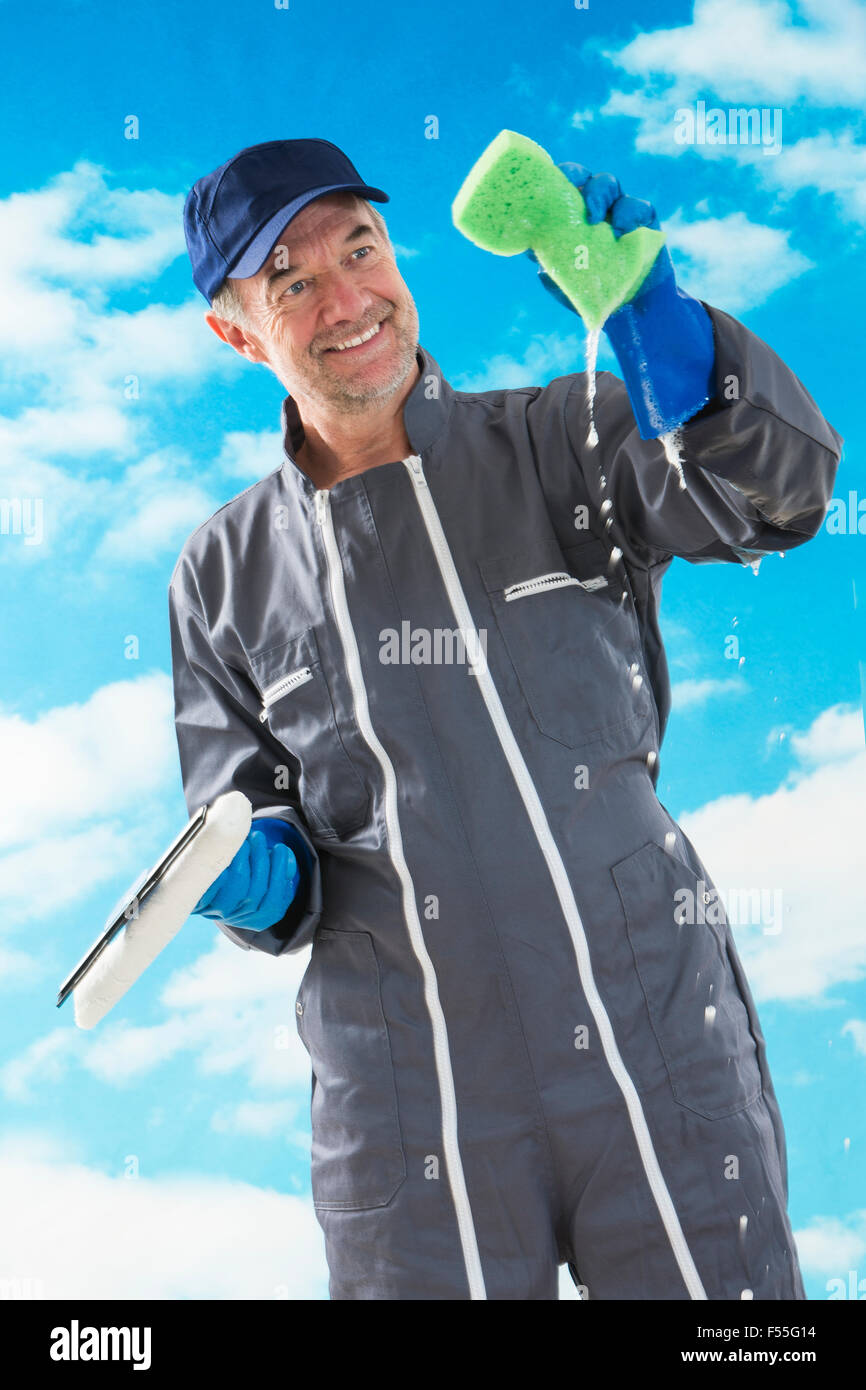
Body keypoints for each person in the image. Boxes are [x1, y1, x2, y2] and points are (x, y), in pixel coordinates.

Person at [171, 137, 842, 1300]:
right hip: (406, 1107)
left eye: (360, 248)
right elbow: (247, 821)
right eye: (290, 282)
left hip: (652, 1039)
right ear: (237, 330)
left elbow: (766, 499)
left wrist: (650, 322)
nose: (347, 299)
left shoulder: (560, 441)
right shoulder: (220, 575)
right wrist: (248, 878)